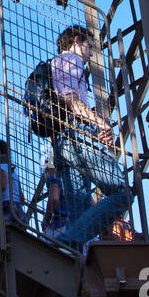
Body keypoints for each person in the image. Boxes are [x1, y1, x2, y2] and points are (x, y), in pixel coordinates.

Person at [47, 24, 129, 248]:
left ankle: (70, 253)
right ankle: (64, 242)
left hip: (61, 143)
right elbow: (71, 99)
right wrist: (99, 122)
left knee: (79, 210)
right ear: (76, 40)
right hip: (78, 133)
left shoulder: (54, 63)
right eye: (89, 46)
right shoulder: (71, 61)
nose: (91, 53)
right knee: (123, 192)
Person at [0, 138, 27, 226]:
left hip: (5, 205)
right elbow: (22, 199)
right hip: (18, 207)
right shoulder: (12, 171)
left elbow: (2, 185)